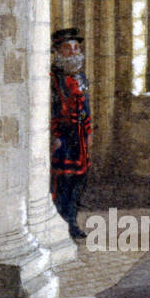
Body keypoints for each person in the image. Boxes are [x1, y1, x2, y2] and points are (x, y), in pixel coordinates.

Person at [51, 27, 92, 239]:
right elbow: (50, 109)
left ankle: (72, 222)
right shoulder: (52, 79)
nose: (74, 52)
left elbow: (86, 106)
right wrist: (53, 136)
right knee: (61, 181)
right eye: (68, 48)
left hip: (79, 138)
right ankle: (59, 224)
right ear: (58, 52)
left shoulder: (81, 77)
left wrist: (89, 131)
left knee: (78, 181)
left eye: (76, 48)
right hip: (61, 138)